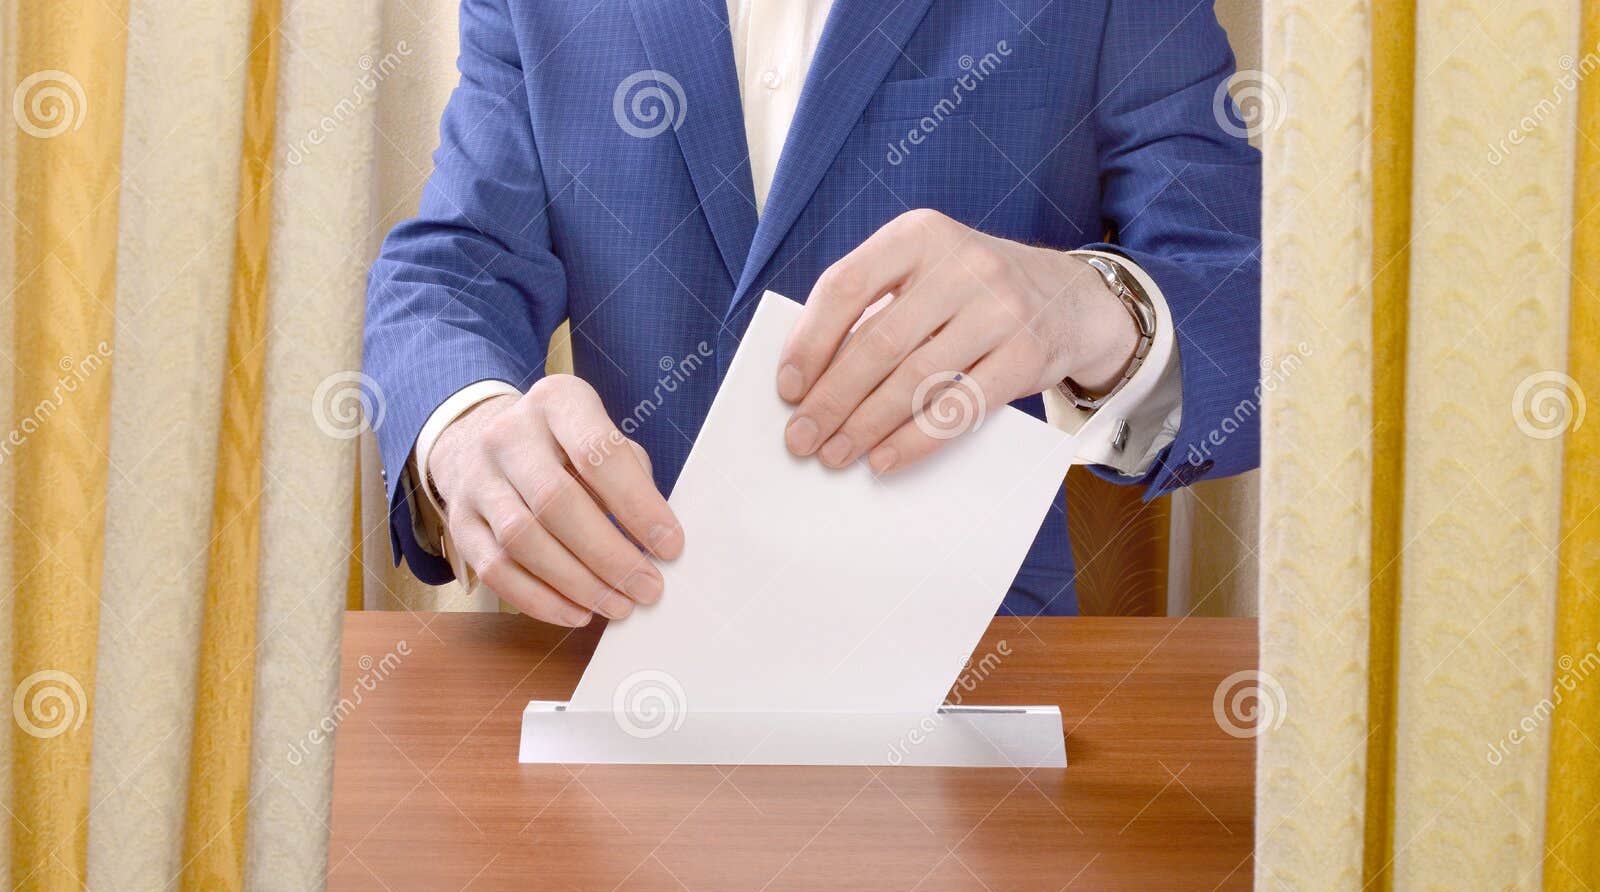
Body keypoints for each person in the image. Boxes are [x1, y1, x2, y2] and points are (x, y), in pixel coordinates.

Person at [365, 0, 1261, 623]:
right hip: (613, 653)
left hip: (979, 680)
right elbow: (456, 266)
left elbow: (1252, 301)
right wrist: (462, 424)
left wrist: (1087, 311)